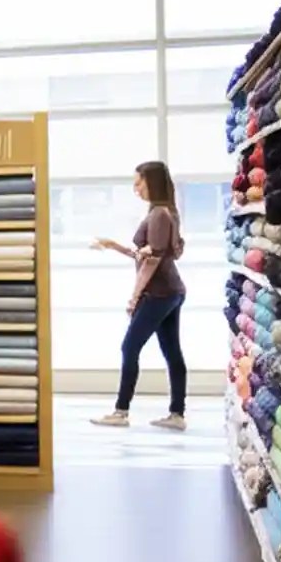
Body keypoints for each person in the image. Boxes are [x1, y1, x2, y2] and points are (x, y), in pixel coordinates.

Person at [88, 161, 188, 431]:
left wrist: (134, 297)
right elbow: (148, 254)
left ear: (151, 182)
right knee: (172, 352)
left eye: (139, 183)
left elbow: (152, 262)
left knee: (129, 347)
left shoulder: (158, 215)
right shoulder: (168, 212)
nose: (136, 189)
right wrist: (112, 245)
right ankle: (177, 415)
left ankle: (121, 412)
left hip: (160, 293)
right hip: (172, 291)